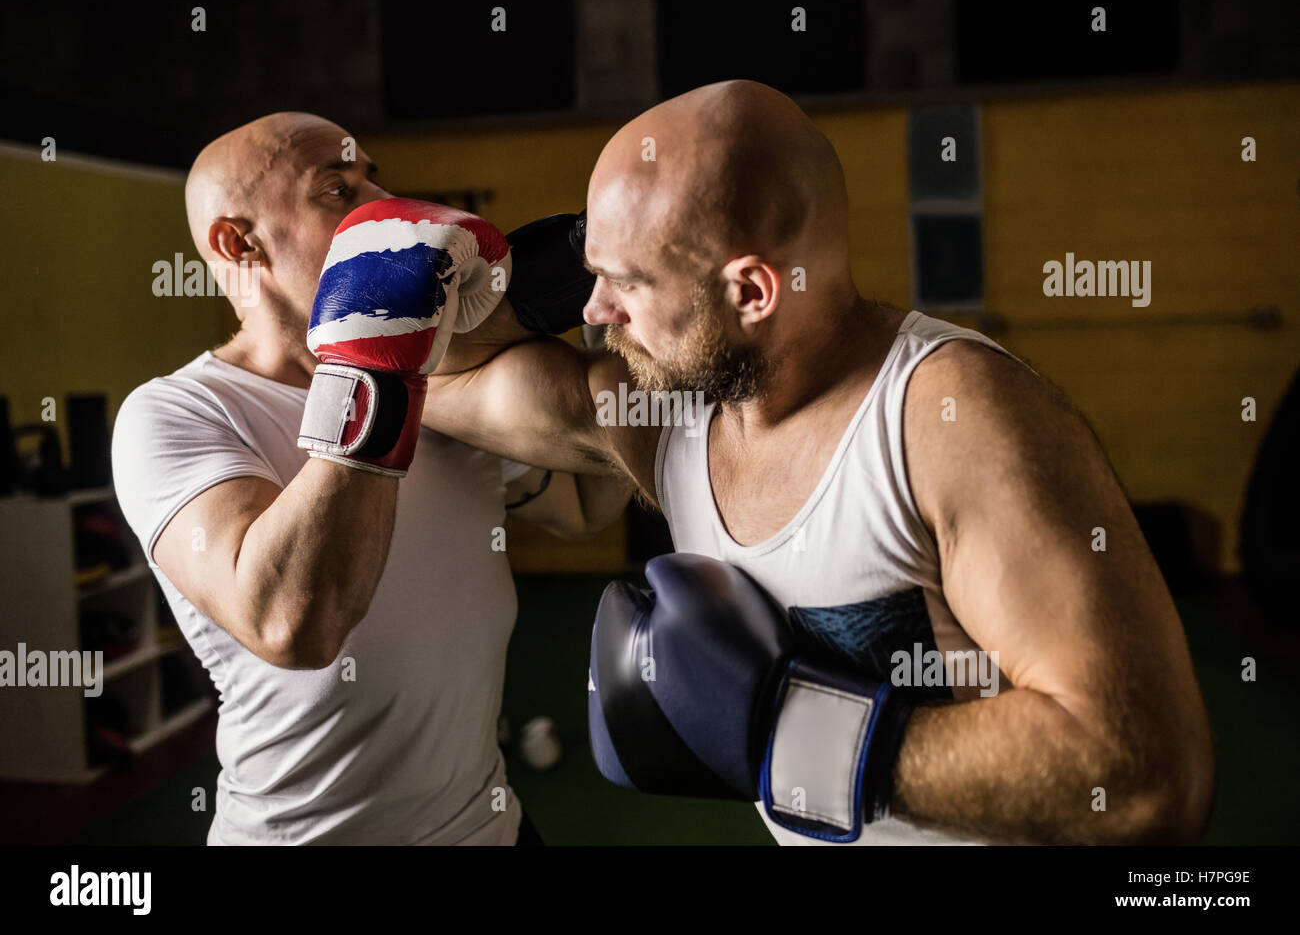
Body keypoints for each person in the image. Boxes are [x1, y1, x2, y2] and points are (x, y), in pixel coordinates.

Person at [423, 81, 1216, 844]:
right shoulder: (663, 416)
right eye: (593, 279)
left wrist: (787, 733)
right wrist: (599, 246)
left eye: (624, 284)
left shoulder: (944, 420)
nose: (595, 315)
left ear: (752, 292)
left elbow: (1144, 777)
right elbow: (434, 367)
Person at [111, 112, 629, 845]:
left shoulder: (434, 375)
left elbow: (583, 503)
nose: (382, 202)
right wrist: (377, 368)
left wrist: (617, 299)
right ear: (239, 242)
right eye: (337, 188)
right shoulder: (177, 415)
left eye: (373, 177)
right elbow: (295, 623)